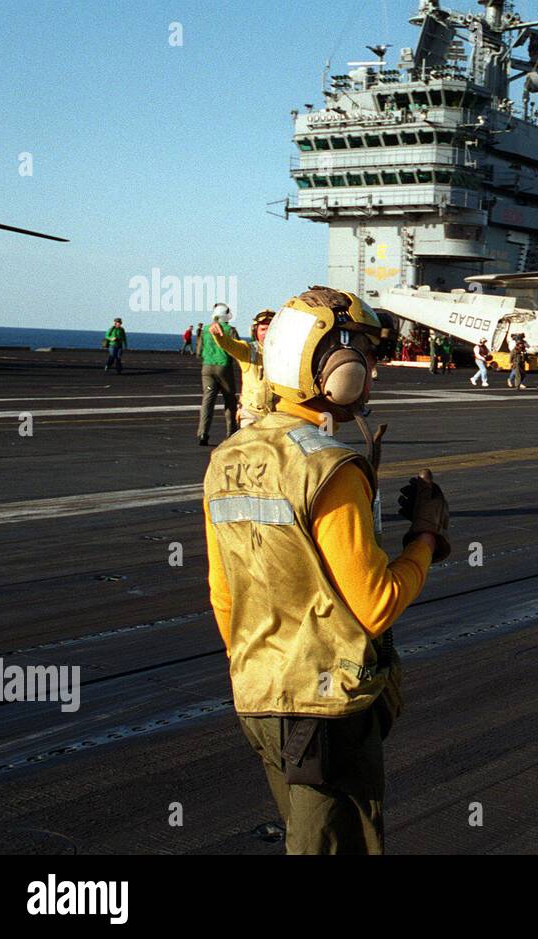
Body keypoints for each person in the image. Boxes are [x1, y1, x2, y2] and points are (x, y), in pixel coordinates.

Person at [204, 285, 450, 855]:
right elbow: (375, 603)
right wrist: (426, 538)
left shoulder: (228, 458)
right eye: (362, 357)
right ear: (332, 363)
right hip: (324, 708)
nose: (371, 374)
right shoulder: (331, 467)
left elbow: (222, 595)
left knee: (306, 835)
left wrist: (260, 668)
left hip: (258, 697)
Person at [212, 309, 274, 427]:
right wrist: (219, 336)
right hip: (252, 415)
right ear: (255, 332)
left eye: (270, 329)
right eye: (263, 329)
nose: (266, 333)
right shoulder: (247, 350)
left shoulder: (285, 354)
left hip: (276, 415)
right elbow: (229, 344)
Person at [197, 308, 240, 446]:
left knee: (207, 400)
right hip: (224, 367)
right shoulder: (230, 330)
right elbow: (237, 349)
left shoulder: (205, 330)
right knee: (230, 400)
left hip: (207, 367)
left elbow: (198, 351)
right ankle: (231, 433)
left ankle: (203, 433)